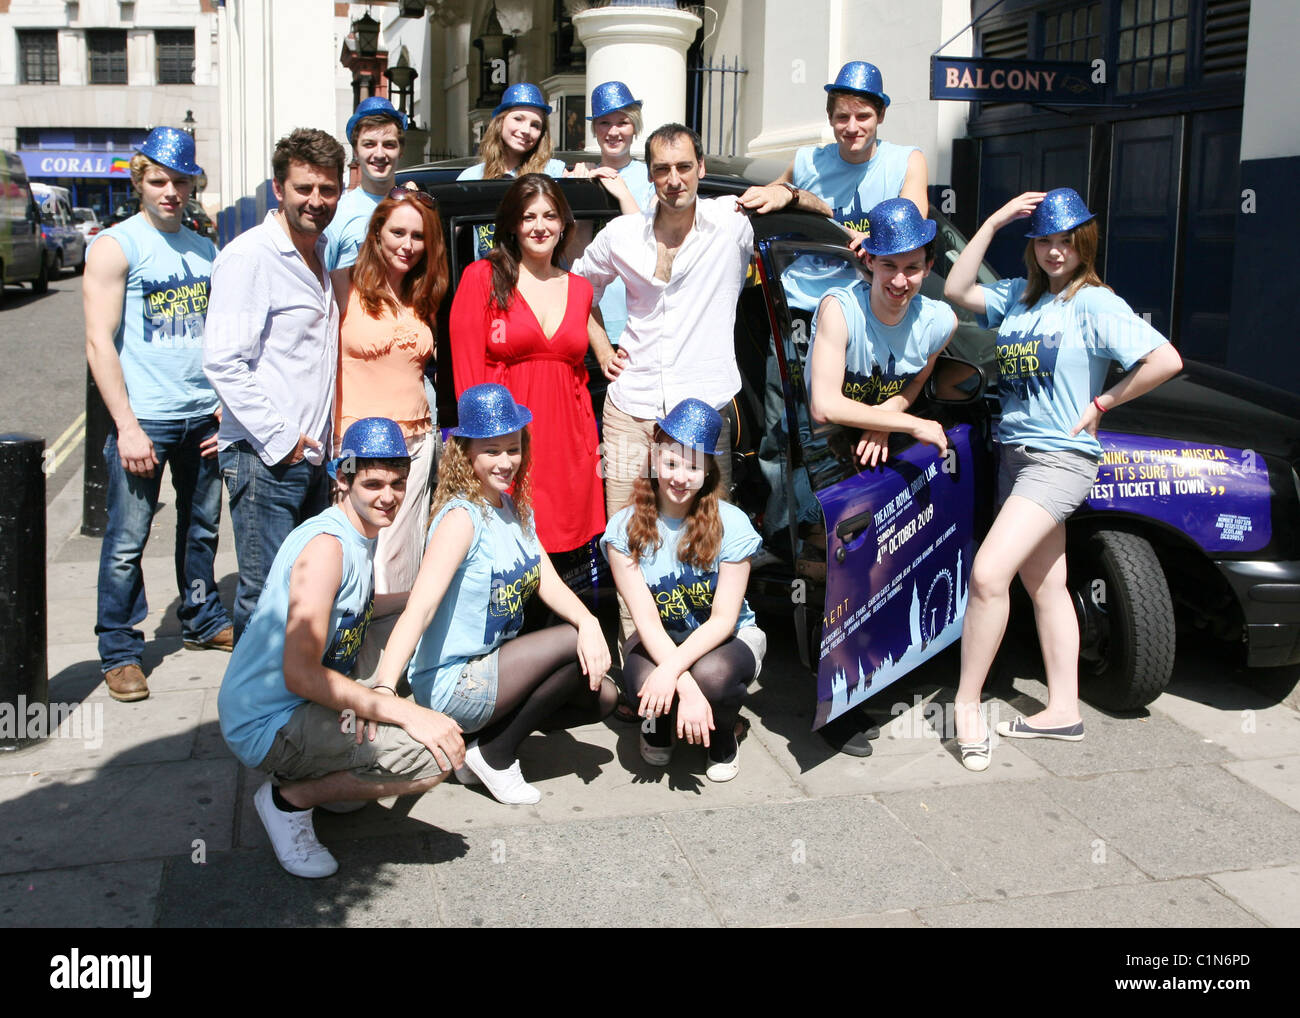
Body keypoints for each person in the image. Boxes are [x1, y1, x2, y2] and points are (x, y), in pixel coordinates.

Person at [943, 188, 1183, 770]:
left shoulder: (1093, 303)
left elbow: (1166, 359)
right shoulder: (1020, 300)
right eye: (1044, 241)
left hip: (1059, 462)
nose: (1054, 251)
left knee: (987, 574)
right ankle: (1064, 710)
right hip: (1015, 458)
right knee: (1046, 585)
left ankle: (967, 706)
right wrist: (997, 219)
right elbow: (954, 288)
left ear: (1085, 242)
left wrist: (1104, 401)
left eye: (1065, 240)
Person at [218, 418, 462, 879]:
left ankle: (318, 776)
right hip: (268, 721)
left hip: (299, 701)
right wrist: (406, 714)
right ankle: (287, 800)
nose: (388, 496)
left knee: (350, 801)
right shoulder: (327, 547)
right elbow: (301, 675)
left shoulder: (358, 529)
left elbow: (361, 608)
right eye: (372, 483)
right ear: (342, 479)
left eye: (397, 483)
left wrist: (425, 594)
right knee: (435, 757)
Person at [370, 384, 617, 806]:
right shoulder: (461, 519)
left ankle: (477, 747)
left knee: (604, 697)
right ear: (466, 452)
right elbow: (421, 607)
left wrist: (590, 621)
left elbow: (548, 579)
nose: (506, 462)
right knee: (571, 644)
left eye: (513, 448)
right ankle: (496, 755)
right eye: (492, 451)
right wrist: (385, 691)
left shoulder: (514, 507)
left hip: (493, 666)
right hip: (454, 680)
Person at [571, 123, 755, 645]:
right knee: (632, 539)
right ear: (648, 175)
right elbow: (577, 289)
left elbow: (808, 202)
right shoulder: (622, 235)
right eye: (661, 170)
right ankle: (641, 667)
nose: (673, 180)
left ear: (701, 168)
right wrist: (602, 350)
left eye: (682, 167)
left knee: (705, 536)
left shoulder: (731, 223)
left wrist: (785, 191)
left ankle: (699, 661)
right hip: (631, 407)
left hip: (701, 413)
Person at [83, 126, 234, 702]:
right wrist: (126, 427)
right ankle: (119, 649)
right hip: (144, 419)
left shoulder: (204, 249)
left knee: (201, 530)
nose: (170, 191)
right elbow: (99, 342)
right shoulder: (116, 246)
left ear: (194, 183)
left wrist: (224, 410)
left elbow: (219, 340)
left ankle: (199, 618)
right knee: (126, 540)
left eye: (180, 181)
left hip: (201, 417)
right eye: (159, 180)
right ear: (139, 182)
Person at [204, 128, 346, 640]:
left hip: (311, 460)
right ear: (278, 188)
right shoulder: (250, 257)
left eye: (326, 190)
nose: (316, 200)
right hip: (265, 459)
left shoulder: (319, 251)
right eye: (304, 188)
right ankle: (249, 718)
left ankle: (286, 712)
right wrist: (282, 439)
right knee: (265, 598)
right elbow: (222, 361)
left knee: (304, 595)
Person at [601, 399, 766, 782]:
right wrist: (683, 687)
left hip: (728, 639)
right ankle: (659, 727)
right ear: (655, 460)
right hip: (659, 637)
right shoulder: (622, 530)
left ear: (708, 470)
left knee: (713, 677)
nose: (680, 476)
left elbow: (724, 620)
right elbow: (645, 620)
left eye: (693, 465)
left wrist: (678, 677)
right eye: (672, 462)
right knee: (644, 683)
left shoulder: (734, 524)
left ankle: (723, 737)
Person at [449, 175, 609, 558]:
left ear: (564, 224)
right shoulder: (482, 278)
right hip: (507, 442)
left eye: (550, 216)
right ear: (512, 225)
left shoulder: (580, 288)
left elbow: (577, 376)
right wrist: (482, 449)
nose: (540, 226)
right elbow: (467, 374)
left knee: (565, 559)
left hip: (569, 444)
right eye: (529, 217)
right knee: (507, 555)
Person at [331, 186, 448, 594]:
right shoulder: (342, 285)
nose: (408, 245)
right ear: (377, 232)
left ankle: (394, 655)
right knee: (363, 560)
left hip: (416, 444)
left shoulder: (422, 295)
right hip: (358, 448)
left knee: (402, 560)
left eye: (419, 237)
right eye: (398, 232)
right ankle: (352, 654)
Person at [807, 198, 954, 468]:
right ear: (871, 261)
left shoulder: (940, 323)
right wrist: (910, 424)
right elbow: (824, 406)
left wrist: (886, 417)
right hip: (817, 453)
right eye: (889, 265)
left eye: (912, 268)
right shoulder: (840, 311)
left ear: (928, 267)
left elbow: (916, 383)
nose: (899, 281)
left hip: (877, 453)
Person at [737, 60, 928, 240]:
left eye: (863, 117)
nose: (852, 128)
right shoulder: (807, 161)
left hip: (870, 275)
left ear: (881, 115)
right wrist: (781, 193)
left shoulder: (907, 162)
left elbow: (910, 236)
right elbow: (767, 200)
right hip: (802, 274)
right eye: (843, 117)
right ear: (830, 118)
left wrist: (870, 242)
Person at [568, 80, 655, 345]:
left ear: (635, 128)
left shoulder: (651, 176)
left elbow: (646, 246)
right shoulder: (577, 175)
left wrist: (623, 193)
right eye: (604, 123)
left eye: (622, 122)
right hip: (585, 317)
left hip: (638, 318)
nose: (613, 131)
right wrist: (583, 191)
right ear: (594, 129)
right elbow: (573, 257)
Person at [458, 83, 567, 259]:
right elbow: (443, 235)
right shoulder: (471, 177)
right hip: (490, 281)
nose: (526, 130)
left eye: (535, 125)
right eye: (518, 119)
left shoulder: (553, 171)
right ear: (500, 121)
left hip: (541, 281)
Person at [324, 96, 407, 273]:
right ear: (356, 151)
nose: (379, 154)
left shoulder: (415, 208)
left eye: (389, 145)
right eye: (369, 144)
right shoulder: (336, 215)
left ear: (401, 151)